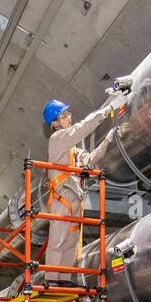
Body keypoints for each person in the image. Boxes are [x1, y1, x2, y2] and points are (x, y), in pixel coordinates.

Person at [40, 98, 107, 281]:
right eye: (63, 115)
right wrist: (105, 111)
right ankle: (52, 278)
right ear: (54, 123)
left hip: (75, 197)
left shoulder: (72, 149)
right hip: (62, 196)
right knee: (58, 240)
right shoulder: (57, 139)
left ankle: (64, 279)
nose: (68, 117)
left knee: (71, 242)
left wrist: (108, 141)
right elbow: (79, 130)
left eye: (68, 114)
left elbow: (89, 160)